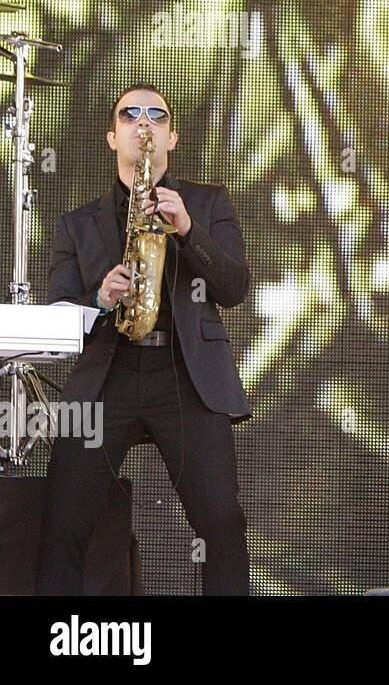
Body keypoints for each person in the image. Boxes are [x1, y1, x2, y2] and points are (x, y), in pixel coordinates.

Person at [38, 83, 252, 595]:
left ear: (171, 138)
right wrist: (98, 301)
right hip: (106, 377)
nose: (143, 122)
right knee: (61, 526)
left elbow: (234, 287)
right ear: (113, 137)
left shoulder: (207, 203)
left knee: (222, 525)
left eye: (156, 115)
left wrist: (188, 229)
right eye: (129, 114)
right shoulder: (77, 224)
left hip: (186, 378)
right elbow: (57, 313)